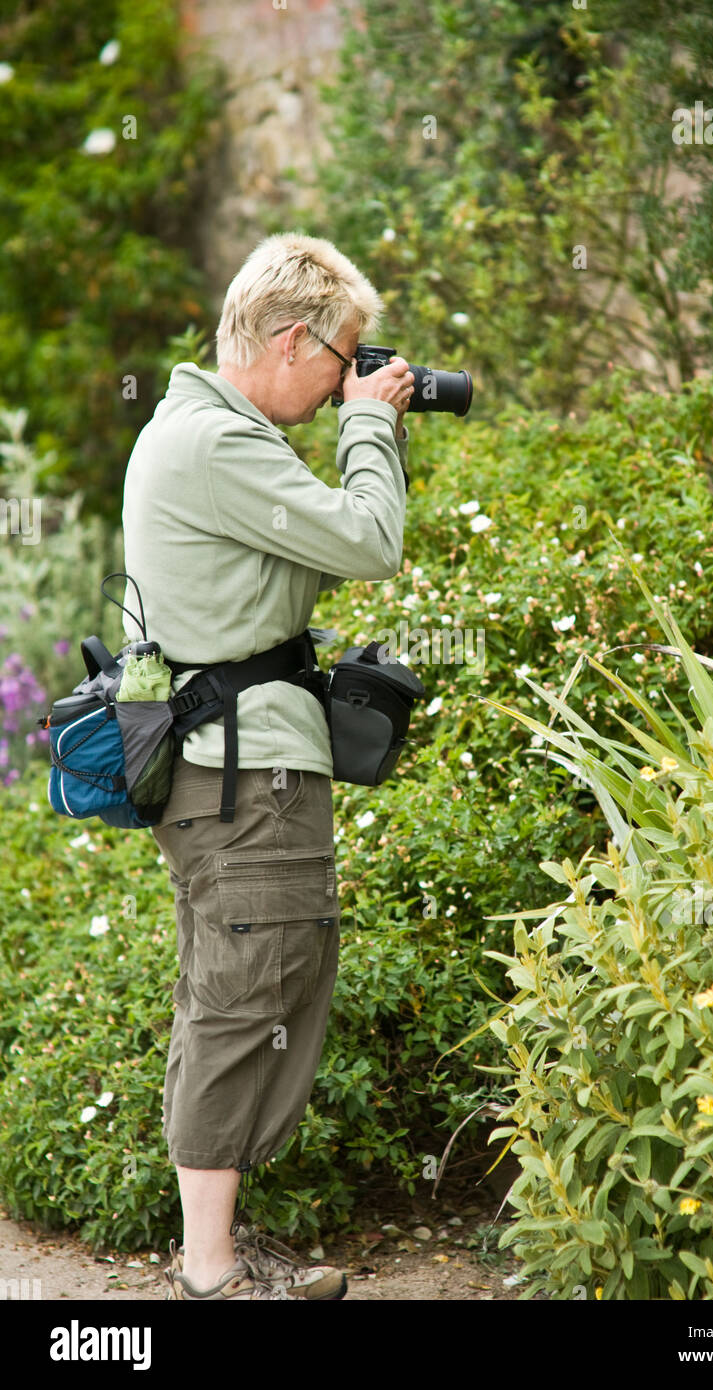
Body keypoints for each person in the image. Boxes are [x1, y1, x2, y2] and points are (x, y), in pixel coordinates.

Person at [120, 231, 414, 1300]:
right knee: (243, 1001)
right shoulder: (214, 444)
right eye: (342, 358)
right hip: (240, 779)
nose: (345, 379)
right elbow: (371, 540)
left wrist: (360, 409)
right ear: (292, 339)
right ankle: (207, 1272)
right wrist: (373, 427)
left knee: (248, 988)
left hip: (238, 772)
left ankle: (219, 1250)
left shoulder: (203, 430)